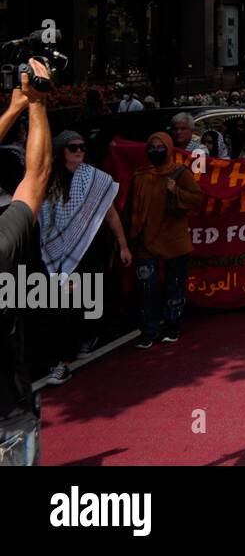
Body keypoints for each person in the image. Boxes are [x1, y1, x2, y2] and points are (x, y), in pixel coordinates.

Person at [38, 130, 131, 385]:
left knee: (76, 306)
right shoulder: (48, 180)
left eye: (82, 147)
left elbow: (110, 214)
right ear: (61, 152)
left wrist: (123, 245)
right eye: (73, 147)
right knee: (62, 308)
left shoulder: (94, 179)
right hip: (57, 254)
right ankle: (65, 355)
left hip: (88, 252)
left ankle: (66, 358)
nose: (79, 151)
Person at [0, 60, 53, 465]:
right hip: (8, 413)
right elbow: (36, 176)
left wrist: (13, 110)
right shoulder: (2, 246)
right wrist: (34, 102)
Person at [127, 132, 204, 348]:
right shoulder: (140, 175)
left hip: (174, 240)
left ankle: (172, 326)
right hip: (146, 241)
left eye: (161, 147)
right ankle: (148, 330)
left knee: (175, 285)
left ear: (169, 149)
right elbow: (130, 209)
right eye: (152, 147)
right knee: (146, 288)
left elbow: (198, 198)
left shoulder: (180, 173)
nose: (156, 151)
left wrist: (176, 192)